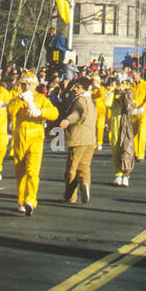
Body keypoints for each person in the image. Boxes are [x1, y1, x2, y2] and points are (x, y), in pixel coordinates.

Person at [10, 69, 59, 215]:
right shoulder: (17, 97)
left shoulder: (41, 99)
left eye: (30, 84)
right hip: (20, 139)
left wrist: (40, 112)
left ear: (35, 85)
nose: (27, 87)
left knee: (32, 171)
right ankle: (21, 200)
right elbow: (10, 111)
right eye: (24, 84)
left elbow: (54, 113)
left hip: (35, 139)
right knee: (20, 172)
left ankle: (31, 200)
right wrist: (19, 99)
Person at [61, 74, 97, 205]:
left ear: (84, 89)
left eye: (77, 87)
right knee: (85, 166)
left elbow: (77, 113)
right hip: (90, 139)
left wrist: (67, 119)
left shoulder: (80, 101)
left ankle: (71, 195)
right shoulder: (91, 101)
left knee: (71, 168)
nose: (74, 89)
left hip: (78, 139)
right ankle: (85, 183)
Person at [109, 75, 136, 186]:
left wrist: (124, 94)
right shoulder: (115, 94)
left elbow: (129, 106)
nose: (122, 85)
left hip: (125, 127)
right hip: (115, 127)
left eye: (124, 83)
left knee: (126, 150)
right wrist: (112, 92)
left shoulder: (129, 94)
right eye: (121, 83)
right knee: (115, 150)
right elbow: (107, 102)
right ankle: (118, 174)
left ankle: (126, 174)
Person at [131, 70, 146, 161]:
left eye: (134, 75)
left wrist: (143, 107)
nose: (133, 77)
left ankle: (140, 154)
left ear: (139, 74)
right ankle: (135, 152)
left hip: (144, 112)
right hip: (134, 112)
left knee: (141, 132)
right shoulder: (131, 86)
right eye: (132, 75)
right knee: (134, 133)